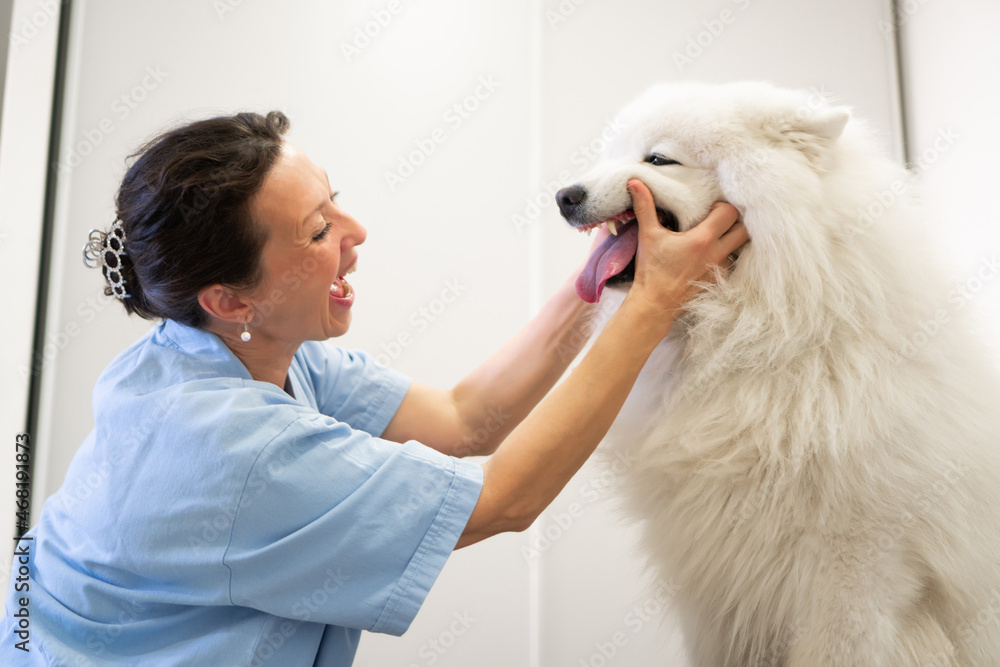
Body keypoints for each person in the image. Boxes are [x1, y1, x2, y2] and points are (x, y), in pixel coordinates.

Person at [2, 111, 747, 665]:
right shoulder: (233, 447)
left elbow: (466, 418)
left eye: (337, 202)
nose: (356, 231)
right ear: (231, 298)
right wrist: (651, 303)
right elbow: (502, 501)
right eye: (318, 229)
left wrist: (611, 263)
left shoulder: (235, 351)